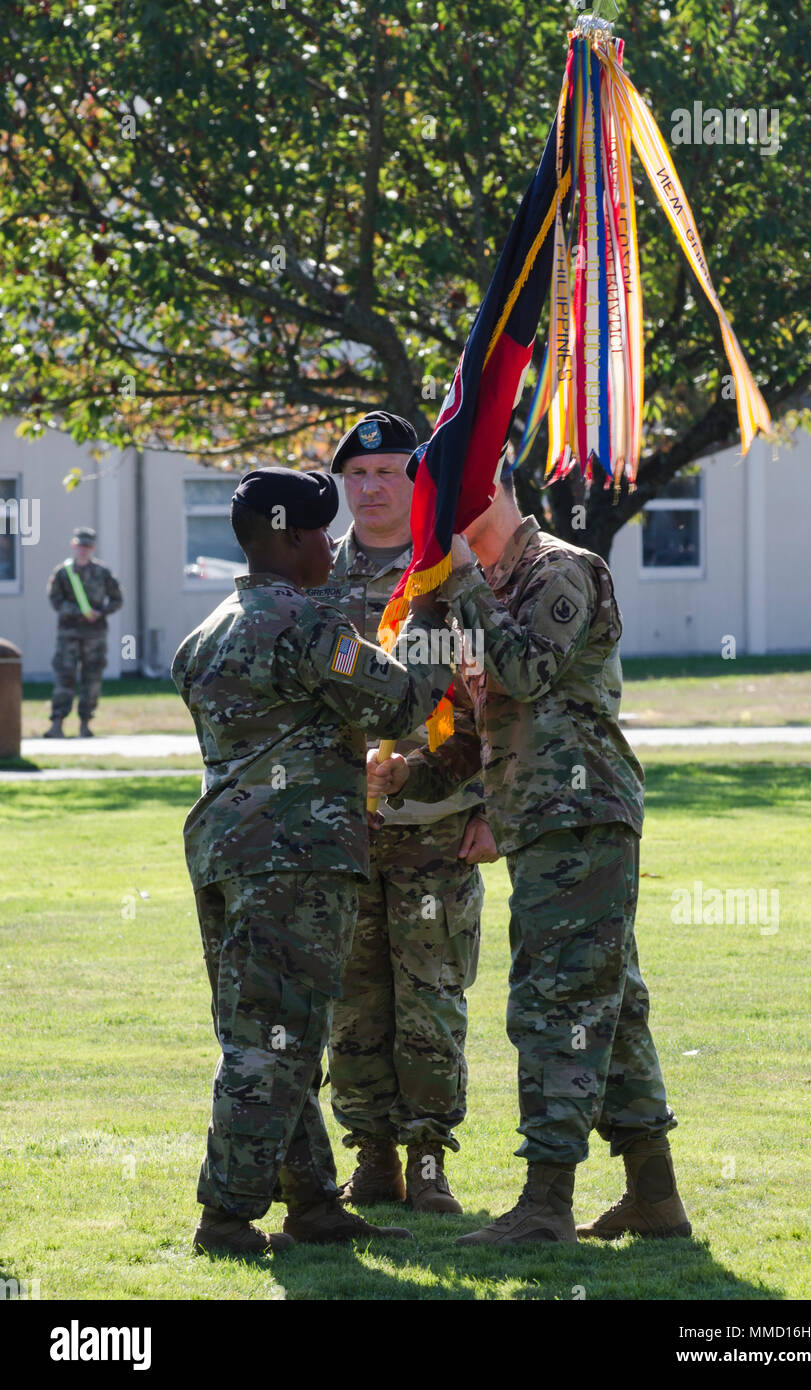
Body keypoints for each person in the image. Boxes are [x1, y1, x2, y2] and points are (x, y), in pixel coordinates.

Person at [368, 473, 690, 1246]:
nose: (429, 523)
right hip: (540, 824)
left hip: (581, 815)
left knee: (555, 1005)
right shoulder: (486, 589)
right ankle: (655, 1198)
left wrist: (467, 583)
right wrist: (413, 772)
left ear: (484, 486)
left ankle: (545, 1204)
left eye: (440, 503)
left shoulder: (558, 569)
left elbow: (523, 672)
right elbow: (484, 722)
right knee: (614, 1007)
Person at [171, 466, 459, 1256]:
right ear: (292, 537)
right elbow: (401, 703)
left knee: (272, 1030)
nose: (332, 549)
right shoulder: (307, 630)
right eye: (320, 534)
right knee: (273, 1041)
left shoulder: (206, 635)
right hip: (295, 859)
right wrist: (430, 611)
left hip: (225, 854)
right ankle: (226, 1216)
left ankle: (314, 1205)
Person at [310, 411, 495, 1216]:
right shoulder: (310, 575)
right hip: (343, 826)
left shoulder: (449, 571)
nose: (373, 487)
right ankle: (372, 1157)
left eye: (390, 472)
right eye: (357, 474)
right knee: (352, 998)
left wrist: (486, 803)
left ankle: (429, 1160)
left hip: (438, 817)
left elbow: (495, 696)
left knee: (432, 990)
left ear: (417, 481)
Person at [45, 526, 123, 738]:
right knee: (64, 675)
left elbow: (117, 599)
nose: (83, 550)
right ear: (73, 545)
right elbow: (55, 600)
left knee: (92, 678)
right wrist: (80, 611)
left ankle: (85, 724)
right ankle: (57, 723)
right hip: (68, 633)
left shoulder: (102, 572)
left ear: (93, 548)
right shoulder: (63, 572)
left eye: (87, 546)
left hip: (94, 634)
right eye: (80, 545)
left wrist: (101, 612)